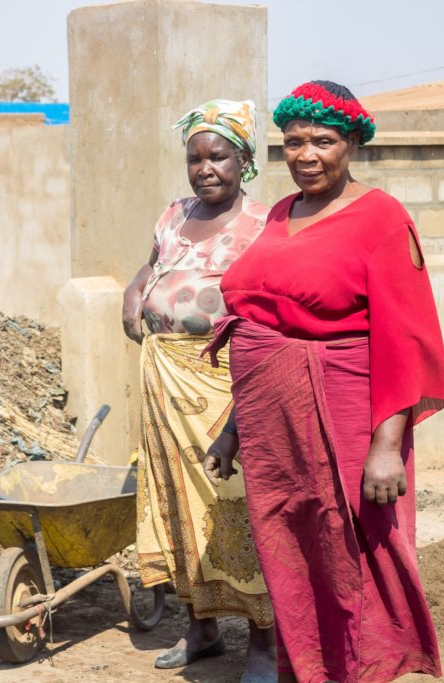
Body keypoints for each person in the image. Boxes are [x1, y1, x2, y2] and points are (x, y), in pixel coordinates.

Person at [204, 81, 444, 682]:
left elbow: (406, 337)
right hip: (274, 426)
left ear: (352, 144)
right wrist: (233, 429)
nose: (306, 155)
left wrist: (387, 447)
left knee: (355, 548)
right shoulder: (283, 213)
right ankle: (306, 667)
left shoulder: (381, 217)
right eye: (293, 143)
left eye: (323, 141)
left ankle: (363, 669)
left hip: (346, 414)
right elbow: (261, 320)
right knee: (291, 547)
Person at [122, 99, 275, 680]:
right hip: (162, 384)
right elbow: (150, 267)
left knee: (232, 505)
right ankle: (202, 628)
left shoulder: (263, 224)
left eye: (219, 156)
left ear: (244, 160)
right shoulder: (173, 215)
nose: (205, 168)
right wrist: (133, 293)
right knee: (175, 506)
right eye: (195, 158)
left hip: (224, 385)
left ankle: (264, 641)